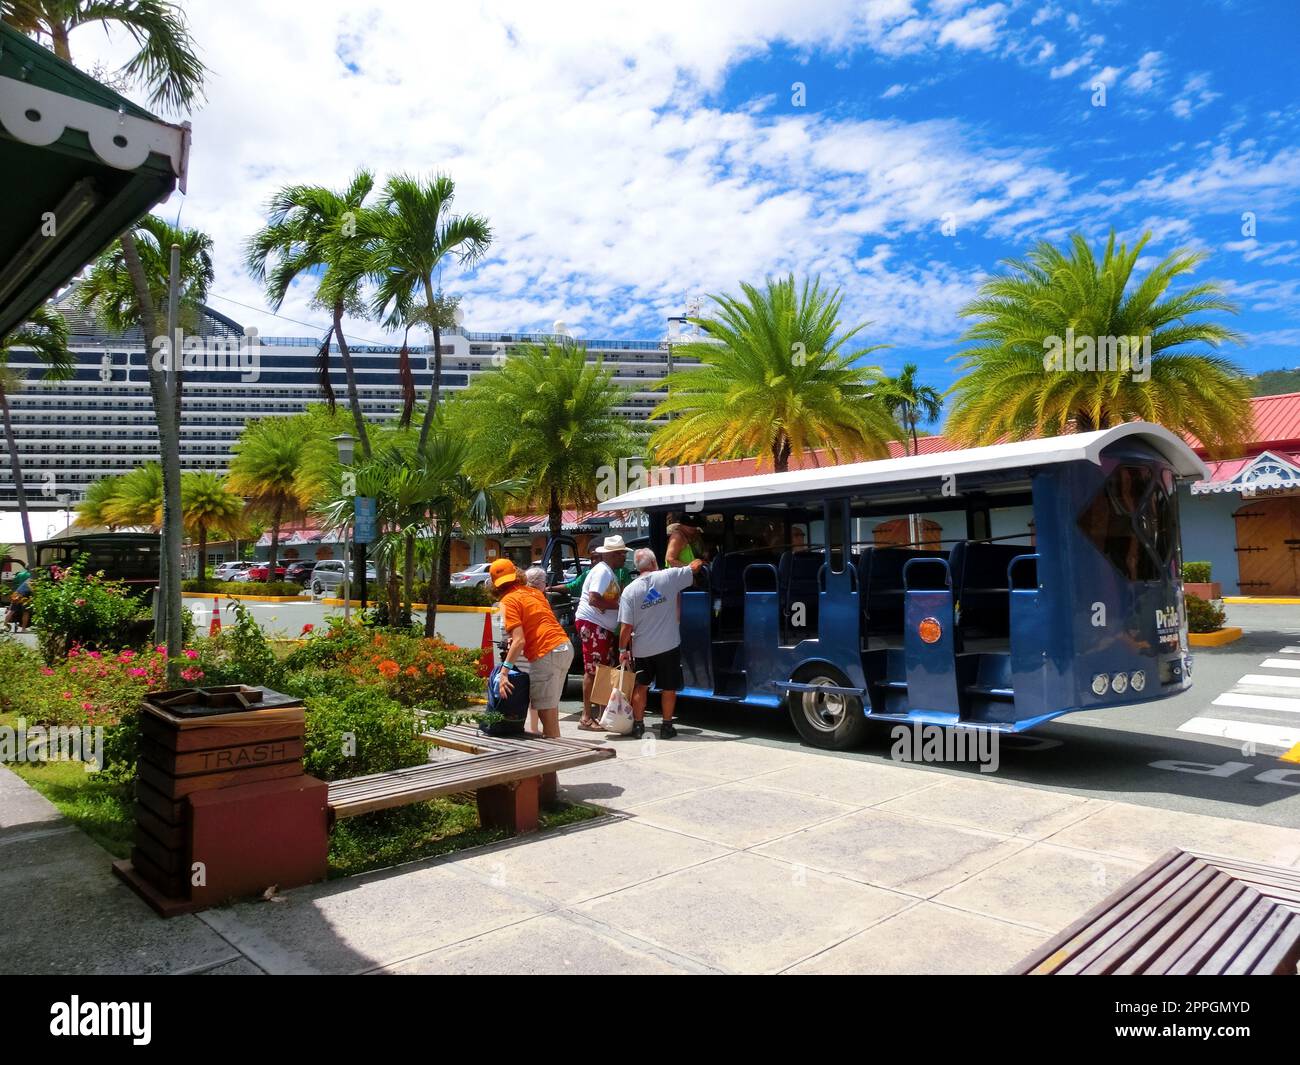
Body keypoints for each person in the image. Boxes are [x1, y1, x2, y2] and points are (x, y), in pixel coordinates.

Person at [618, 548, 705, 739]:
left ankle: (639, 726)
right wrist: (700, 559)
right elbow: (694, 567)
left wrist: (622, 649)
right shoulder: (669, 577)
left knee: (641, 687)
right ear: (653, 563)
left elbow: (626, 626)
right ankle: (666, 727)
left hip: (642, 648)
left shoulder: (629, 591)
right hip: (668, 645)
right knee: (668, 688)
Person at [489, 558, 574, 738]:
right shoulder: (534, 593)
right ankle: (553, 756)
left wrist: (504, 673)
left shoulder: (507, 601)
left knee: (546, 714)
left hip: (546, 653)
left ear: (495, 585)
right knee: (551, 708)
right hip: (564, 646)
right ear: (517, 574)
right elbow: (537, 623)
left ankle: (552, 761)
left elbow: (519, 641)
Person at [568, 535, 630, 730]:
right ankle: (587, 717)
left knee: (602, 671)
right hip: (594, 625)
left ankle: (601, 714)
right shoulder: (602, 572)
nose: (624, 558)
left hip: (601, 627)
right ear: (612, 554)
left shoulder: (606, 571)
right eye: (622, 554)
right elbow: (594, 599)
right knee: (593, 671)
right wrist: (619, 605)